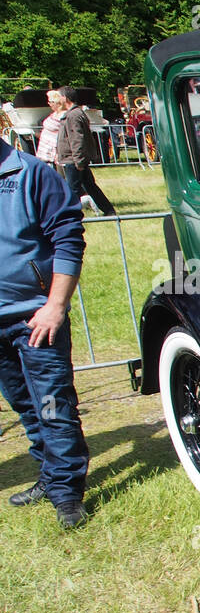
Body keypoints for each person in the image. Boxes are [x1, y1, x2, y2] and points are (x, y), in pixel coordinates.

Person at [0, 137, 90, 528]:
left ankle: (67, 493)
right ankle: (49, 476)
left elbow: (68, 240)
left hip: (35, 318)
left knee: (53, 405)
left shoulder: (32, 173)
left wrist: (55, 306)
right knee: (24, 404)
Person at [53, 87, 115, 216]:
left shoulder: (73, 115)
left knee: (73, 190)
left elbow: (77, 139)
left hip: (74, 160)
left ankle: (71, 217)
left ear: (65, 98)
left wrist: (78, 161)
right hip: (75, 159)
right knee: (90, 186)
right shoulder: (74, 114)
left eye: (58, 97)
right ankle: (109, 210)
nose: (57, 100)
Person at [35, 89, 63, 168]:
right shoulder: (54, 113)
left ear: (57, 102)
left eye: (50, 102)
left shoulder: (62, 115)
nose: (49, 104)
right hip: (44, 152)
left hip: (53, 152)